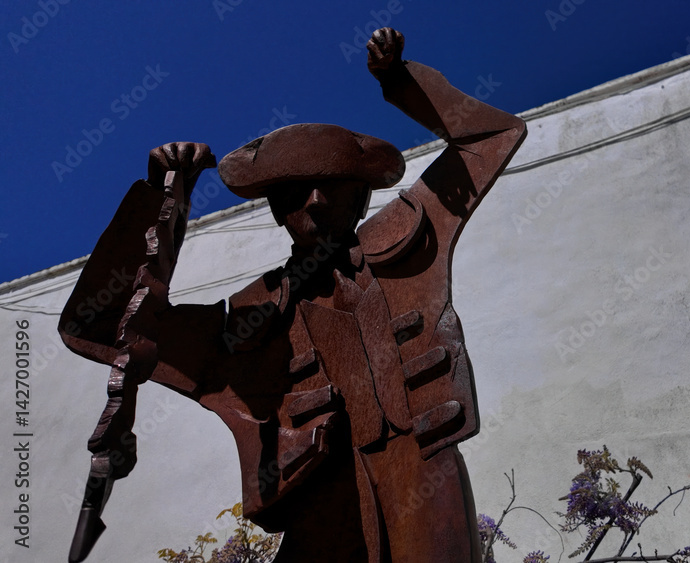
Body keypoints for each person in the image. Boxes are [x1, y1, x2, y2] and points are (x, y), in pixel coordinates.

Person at [59, 27, 526, 562]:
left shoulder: (411, 238)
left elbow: (493, 135)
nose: (317, 200)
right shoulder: (249, 321)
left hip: (425, 484)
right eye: (297, 191)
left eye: (335, 184)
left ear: (362, 196)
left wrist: (401, 82)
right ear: (278, 209)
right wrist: (165, 202)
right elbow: (99, 325)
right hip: (319, 510)